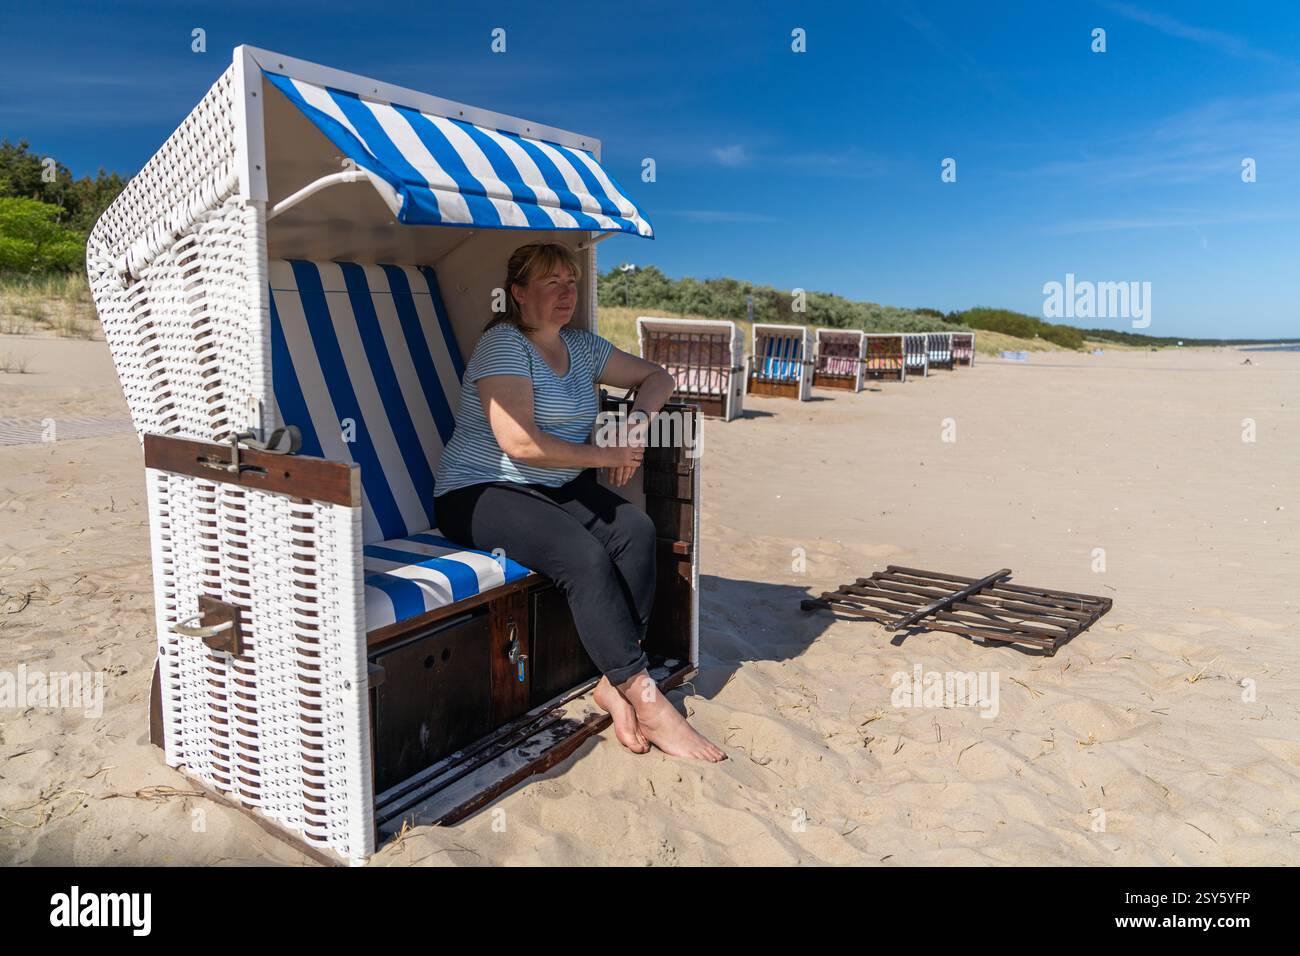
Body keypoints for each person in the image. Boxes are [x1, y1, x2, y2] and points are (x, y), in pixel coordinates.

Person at [433, 241, 725, 762]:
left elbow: (658, 378)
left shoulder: (582, 346)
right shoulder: (504, 346)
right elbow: (519, 443)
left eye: (571, 281)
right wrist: (601, 453)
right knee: (585, 555)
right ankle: (646, 697)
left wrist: (634, 424)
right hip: (479, 490)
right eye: (551, 282)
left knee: (634, 530)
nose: (567, 292)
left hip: (550, 486)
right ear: (518, 293)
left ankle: (615, 680)